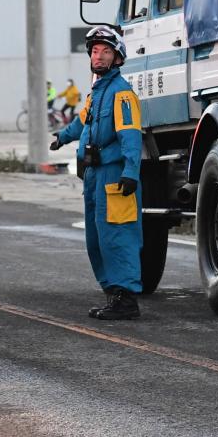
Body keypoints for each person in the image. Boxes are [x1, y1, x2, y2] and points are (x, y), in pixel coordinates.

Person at [50, 26, 144, 320]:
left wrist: (131, 172)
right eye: (94, 51)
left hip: (114, 176)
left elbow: (130, 136)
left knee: (117, 237)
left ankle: (126, 299)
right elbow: (82, 122)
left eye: (105, 51)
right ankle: (112, 295)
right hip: (94, 176)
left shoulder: (122, 94)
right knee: (97, 239)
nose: (98, 56)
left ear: (117, 58)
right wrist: (63, 137)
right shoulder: (96, 93)